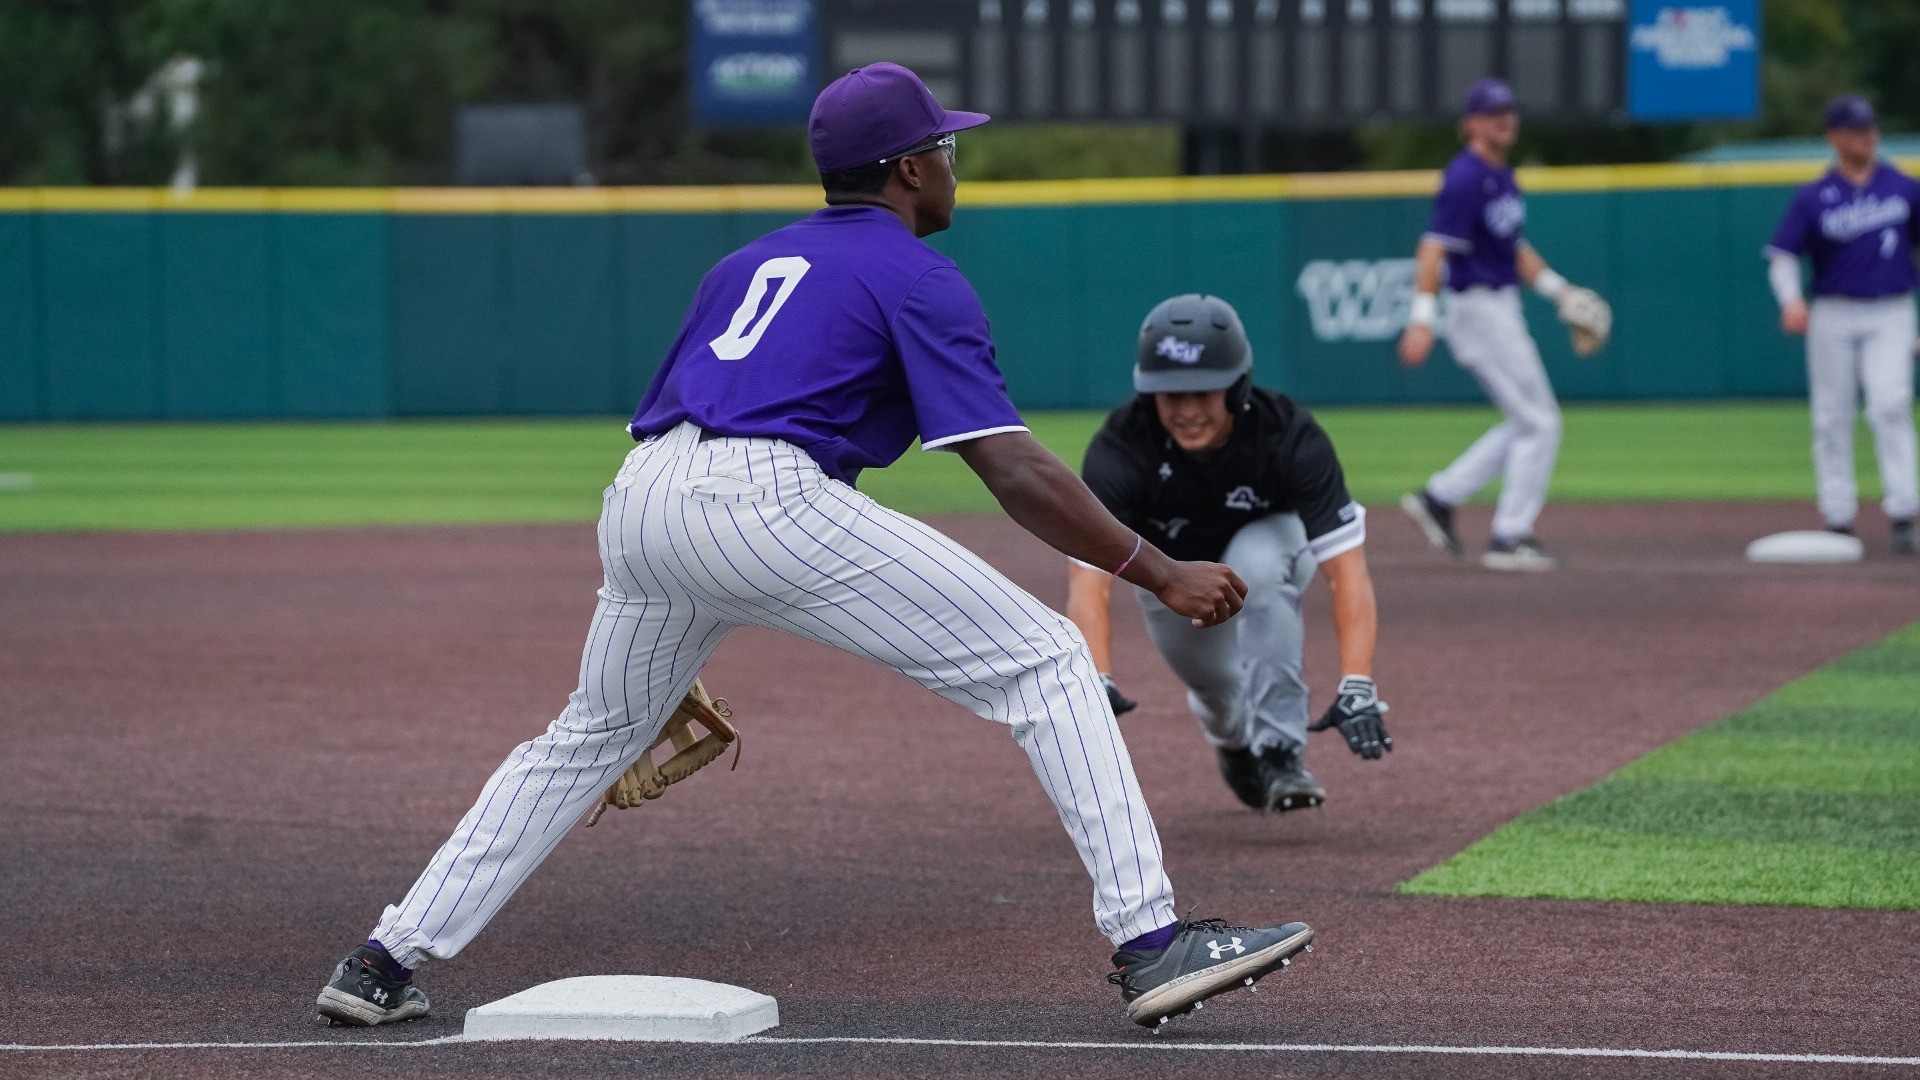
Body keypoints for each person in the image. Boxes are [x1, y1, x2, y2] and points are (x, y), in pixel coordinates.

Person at [314, 63, 1312, 1033]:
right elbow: (1012, 469)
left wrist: (693, 572)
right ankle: (1151, 942)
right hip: (763, 503)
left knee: (586, 738)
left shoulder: (742, 264)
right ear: (909, 171)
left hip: (643, 499)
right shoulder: (919, 275)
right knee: (1049, 663)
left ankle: (383, 960)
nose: (955, 164)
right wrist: (1159, 569)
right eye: (945, 147)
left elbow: (680, 415)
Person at [1065, 295, 1393, 817]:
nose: (1187, 409)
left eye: (1203, 390)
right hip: (1167, 570)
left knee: (1258, 569)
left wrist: (1357, 682)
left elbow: (1346, 570)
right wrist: (1096, 676)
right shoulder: (1121, 446)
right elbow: (1089, 578)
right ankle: (1234, 742)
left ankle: (1282, 752)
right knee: (1216, 686)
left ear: (1237, 386)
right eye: (1170, 393)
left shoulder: (1287, 433)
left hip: (1273, 543)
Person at [1396, 78, 1606, 571]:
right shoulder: (1466, 176)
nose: (1505, 120)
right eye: (1494, 114)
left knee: (1528, 421)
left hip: (1501, 305)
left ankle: (1440, 497)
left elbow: (1513, 250)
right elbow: (1431, 250)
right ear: (1471, 123)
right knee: (1541, 421)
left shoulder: (1502, 176)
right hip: (1477, 310)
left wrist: (1560, 291)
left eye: (1509, 111)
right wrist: (1422, 320)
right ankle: (1509, 536)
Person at [1766, 94, 1919, 556]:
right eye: (1856, 130)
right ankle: (1838, 515)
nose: (1867, 137)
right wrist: (1791, 300)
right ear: (1834, 137)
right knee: (1832, 415)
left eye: (1870, 128)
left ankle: (1903, 511)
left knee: (1890, 403)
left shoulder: (1904, 187)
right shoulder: (1814, 196)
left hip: (1892, 308)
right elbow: (1782, 256)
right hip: (1833, 311)